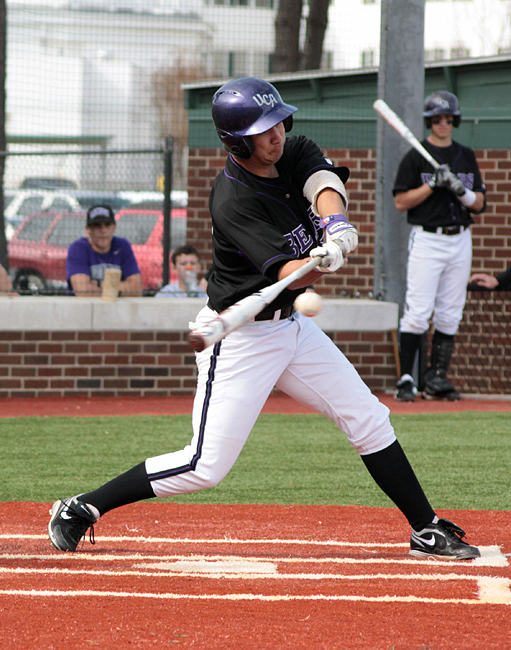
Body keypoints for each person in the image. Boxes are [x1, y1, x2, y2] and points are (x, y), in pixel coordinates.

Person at [47, 77, 480, 561]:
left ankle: (426, 527)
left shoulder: (289, 150)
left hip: (292, 326)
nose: (275, 135)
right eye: (262, 130)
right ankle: (82, 507)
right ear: (236, 141)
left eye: (277, 123)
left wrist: (335, 225)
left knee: (368, 417)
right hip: (241, 336)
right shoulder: (234, 200)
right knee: (204, 465)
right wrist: (321, 261)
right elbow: (289, 275)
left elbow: (322, 180)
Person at [392, 92, 487, 402]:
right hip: (428, 239)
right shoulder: (416, 156)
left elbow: (480, 204)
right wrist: (432, 184)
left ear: (454, 121)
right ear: (430, 121)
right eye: (437, 119)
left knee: (449, 313)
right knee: (418, 312)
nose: (443, 124)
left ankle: (436, 377)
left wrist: (461, 191)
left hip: (460, 238)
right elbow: (401, 201)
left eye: (448, 119)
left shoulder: (465, 155)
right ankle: (406, 378)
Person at [66, 205, 142, 297]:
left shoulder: (122, 246)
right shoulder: (78, 248)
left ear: (114, 227)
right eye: (97, 226)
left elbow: (136, 289)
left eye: (107, 225)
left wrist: (98, 284)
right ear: (88, 229)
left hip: (116, 309)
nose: (103, 231)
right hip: (86, 310)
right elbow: (83, 291)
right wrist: (120, 290)